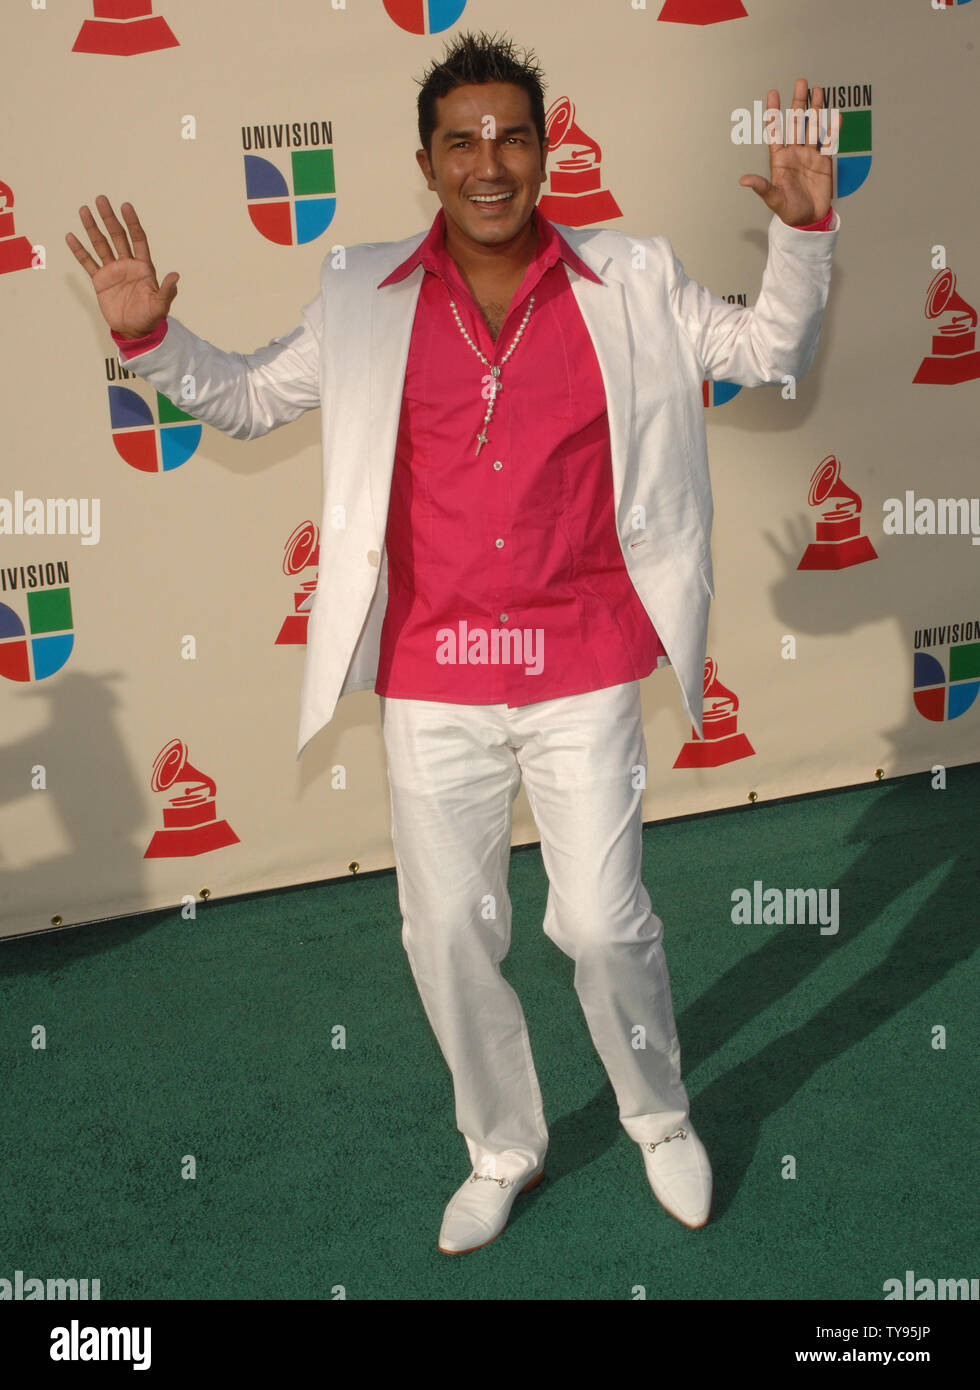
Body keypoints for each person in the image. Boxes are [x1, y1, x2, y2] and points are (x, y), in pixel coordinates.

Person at [67, 31, 838, 1255]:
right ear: (424, 163)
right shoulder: (359, 294)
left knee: (599, 921)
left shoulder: (630, 274)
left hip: (582, 659)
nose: (491, 163)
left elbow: (767, 354)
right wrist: (155, 340)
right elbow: (256, 396)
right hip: (431, 678)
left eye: (513, 136)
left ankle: (653, 1111)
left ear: (545, 150)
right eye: (462, 141)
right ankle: (503, 1144)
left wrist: (802, 241)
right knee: (445, 931)